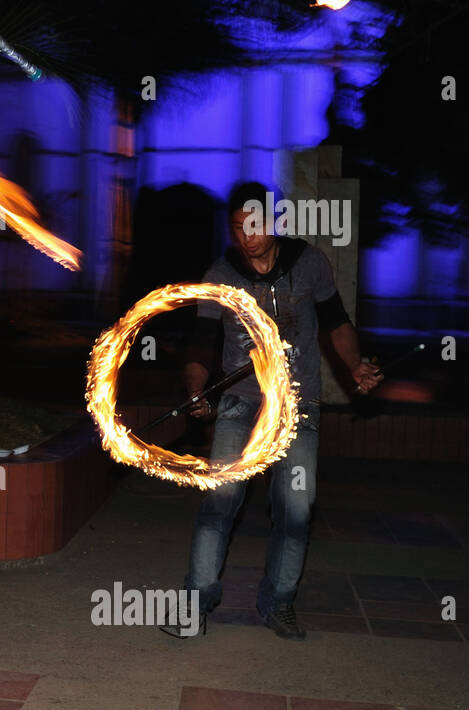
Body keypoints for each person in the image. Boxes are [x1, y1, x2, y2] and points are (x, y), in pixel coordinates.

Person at [161, 182, 382, 641]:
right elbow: (202, 340)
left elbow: (337, 323)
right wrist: (198, 389)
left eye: (256, 226)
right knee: (220, 501)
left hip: (297, 404)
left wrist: (355, 365)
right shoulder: (219, 274)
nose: (248, 237)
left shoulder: (310, 265)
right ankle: (196, 601)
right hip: (241, 403)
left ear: (276, 223)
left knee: (296, 509)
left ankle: (278, 602)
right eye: (238, 228)